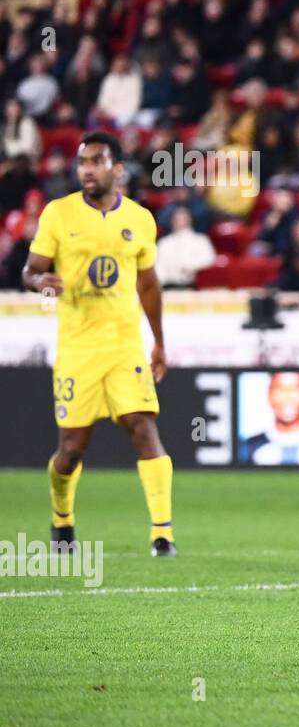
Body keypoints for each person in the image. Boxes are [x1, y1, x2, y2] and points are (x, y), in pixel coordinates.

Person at [21, 132, 176, 557]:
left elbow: (148, 284)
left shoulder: (141, 219)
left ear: (117, 168)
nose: (87, 168)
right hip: (77, 348)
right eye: (82, 162)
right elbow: (30, 270)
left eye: (96, 160)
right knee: (71, 449)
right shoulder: (58, 214)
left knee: (143, 429)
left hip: (125, 344)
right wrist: (40, 281)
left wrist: (159, 342)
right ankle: (62, 520)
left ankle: (162, 534)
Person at [243, 372, 299, 465]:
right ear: (269, 395)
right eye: (280, 388)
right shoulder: (248, 448)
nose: (288, 396)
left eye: (296, 388)